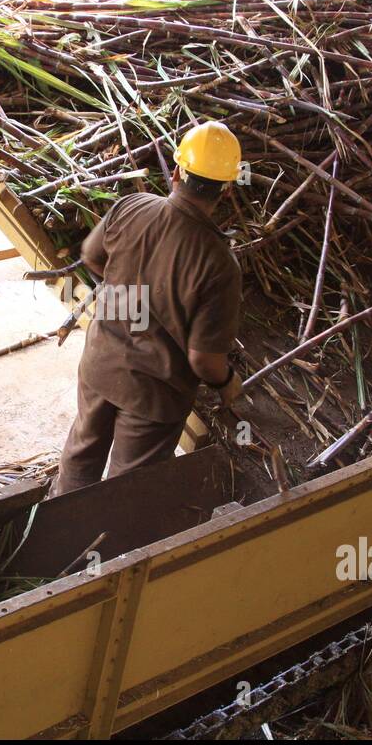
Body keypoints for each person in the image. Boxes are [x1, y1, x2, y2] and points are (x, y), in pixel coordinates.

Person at [50, 121, 245, 497]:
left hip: (101, 363)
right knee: (128, 489)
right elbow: (204, 359)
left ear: (176, 172)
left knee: (80, 456)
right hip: (154, 394)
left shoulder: (131, 206)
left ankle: (57, 535)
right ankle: (110, 554)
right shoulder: (220, 264)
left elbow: (91, 256)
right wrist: (226, 381)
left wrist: (128, 299)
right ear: (227, 187)